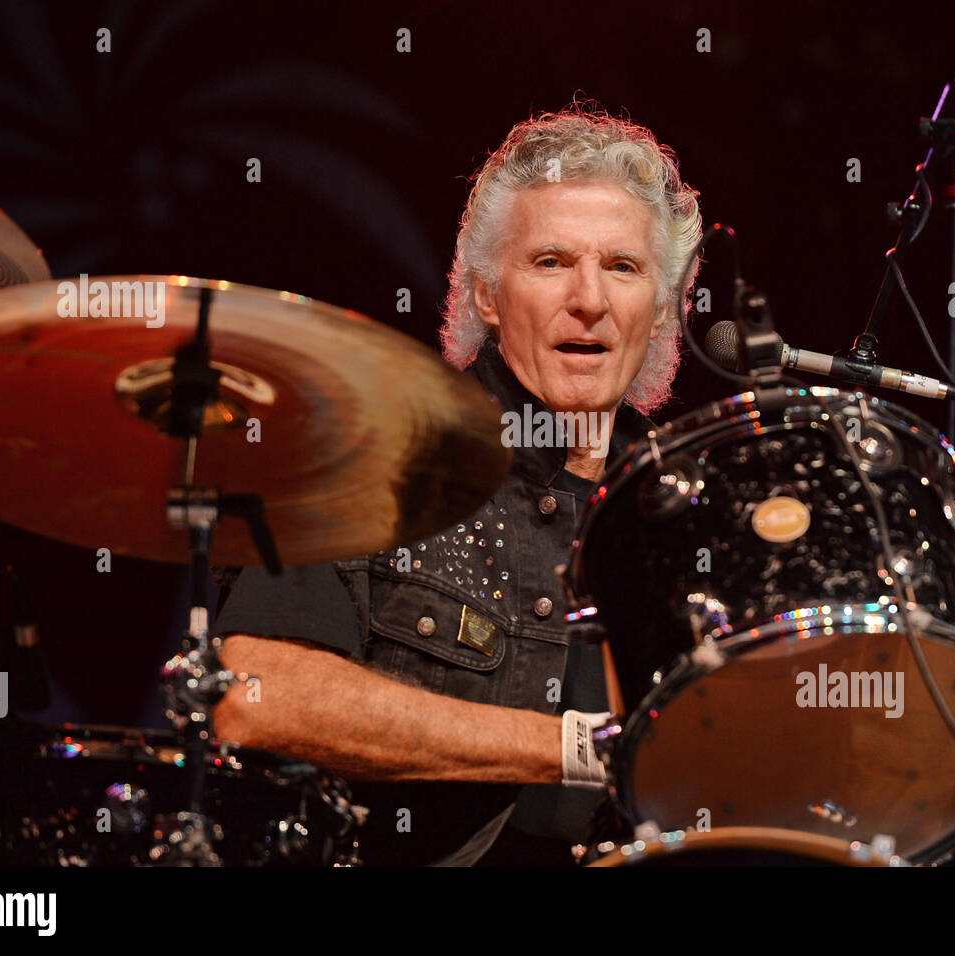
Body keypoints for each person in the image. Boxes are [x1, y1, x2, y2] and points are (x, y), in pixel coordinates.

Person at [211, 104, 702, 865]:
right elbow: (256, 692)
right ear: (484, 294)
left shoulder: (687, 511)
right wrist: (577, 747)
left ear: (663, 307)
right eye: (550, 262)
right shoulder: (378, 456)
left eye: (623, 267)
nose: (591, 300)